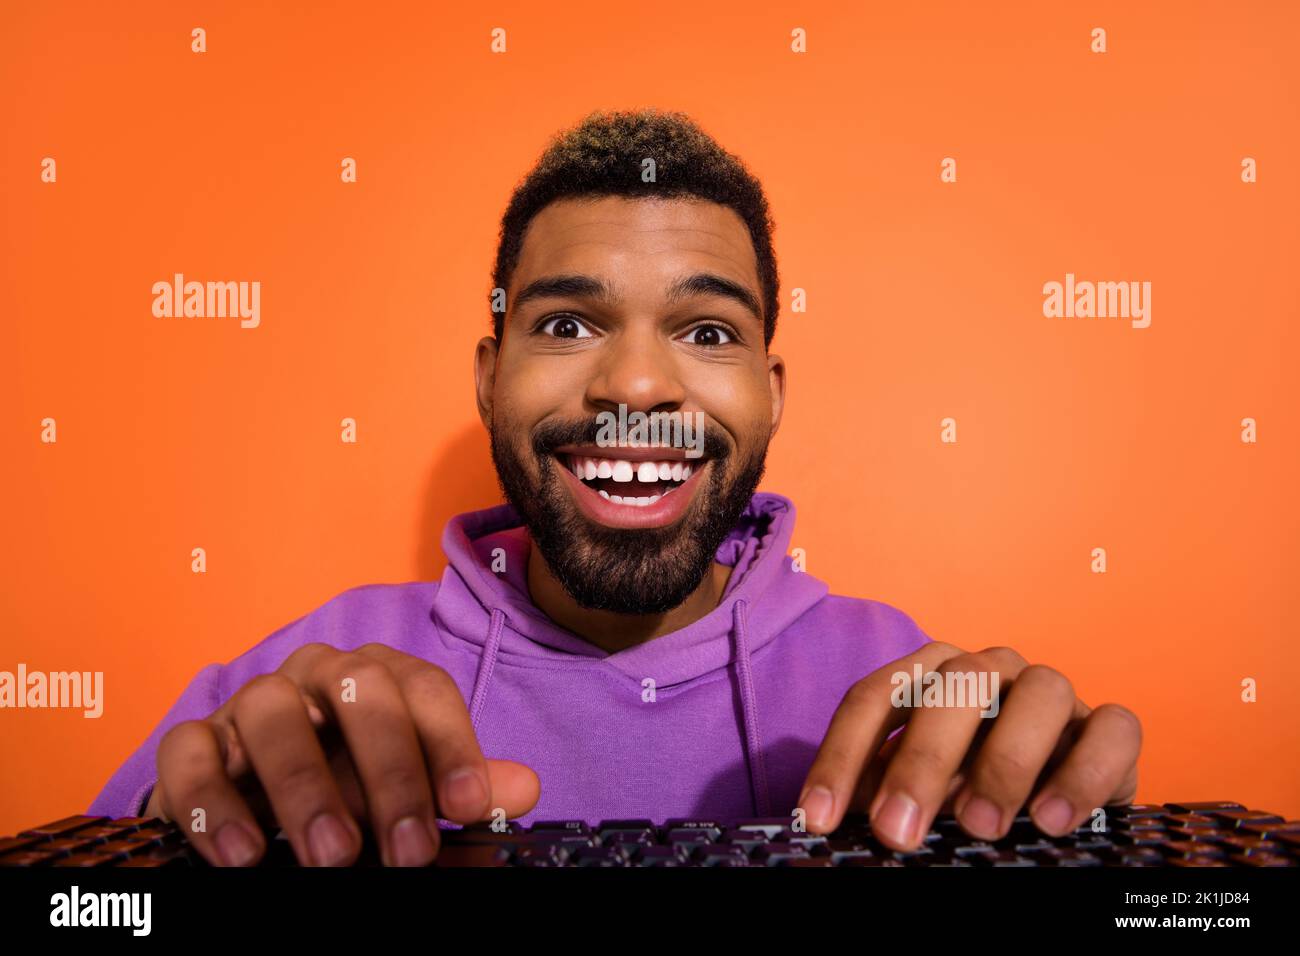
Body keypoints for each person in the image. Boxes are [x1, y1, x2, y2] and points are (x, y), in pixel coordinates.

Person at [90, 109, 1141, 867]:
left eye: (707, 330)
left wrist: (1079, 830)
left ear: (769, 395)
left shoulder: (906, 693)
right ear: (487, 377)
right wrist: (180, 837)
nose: (635, 384)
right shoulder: (312, 680)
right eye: (565, 324)